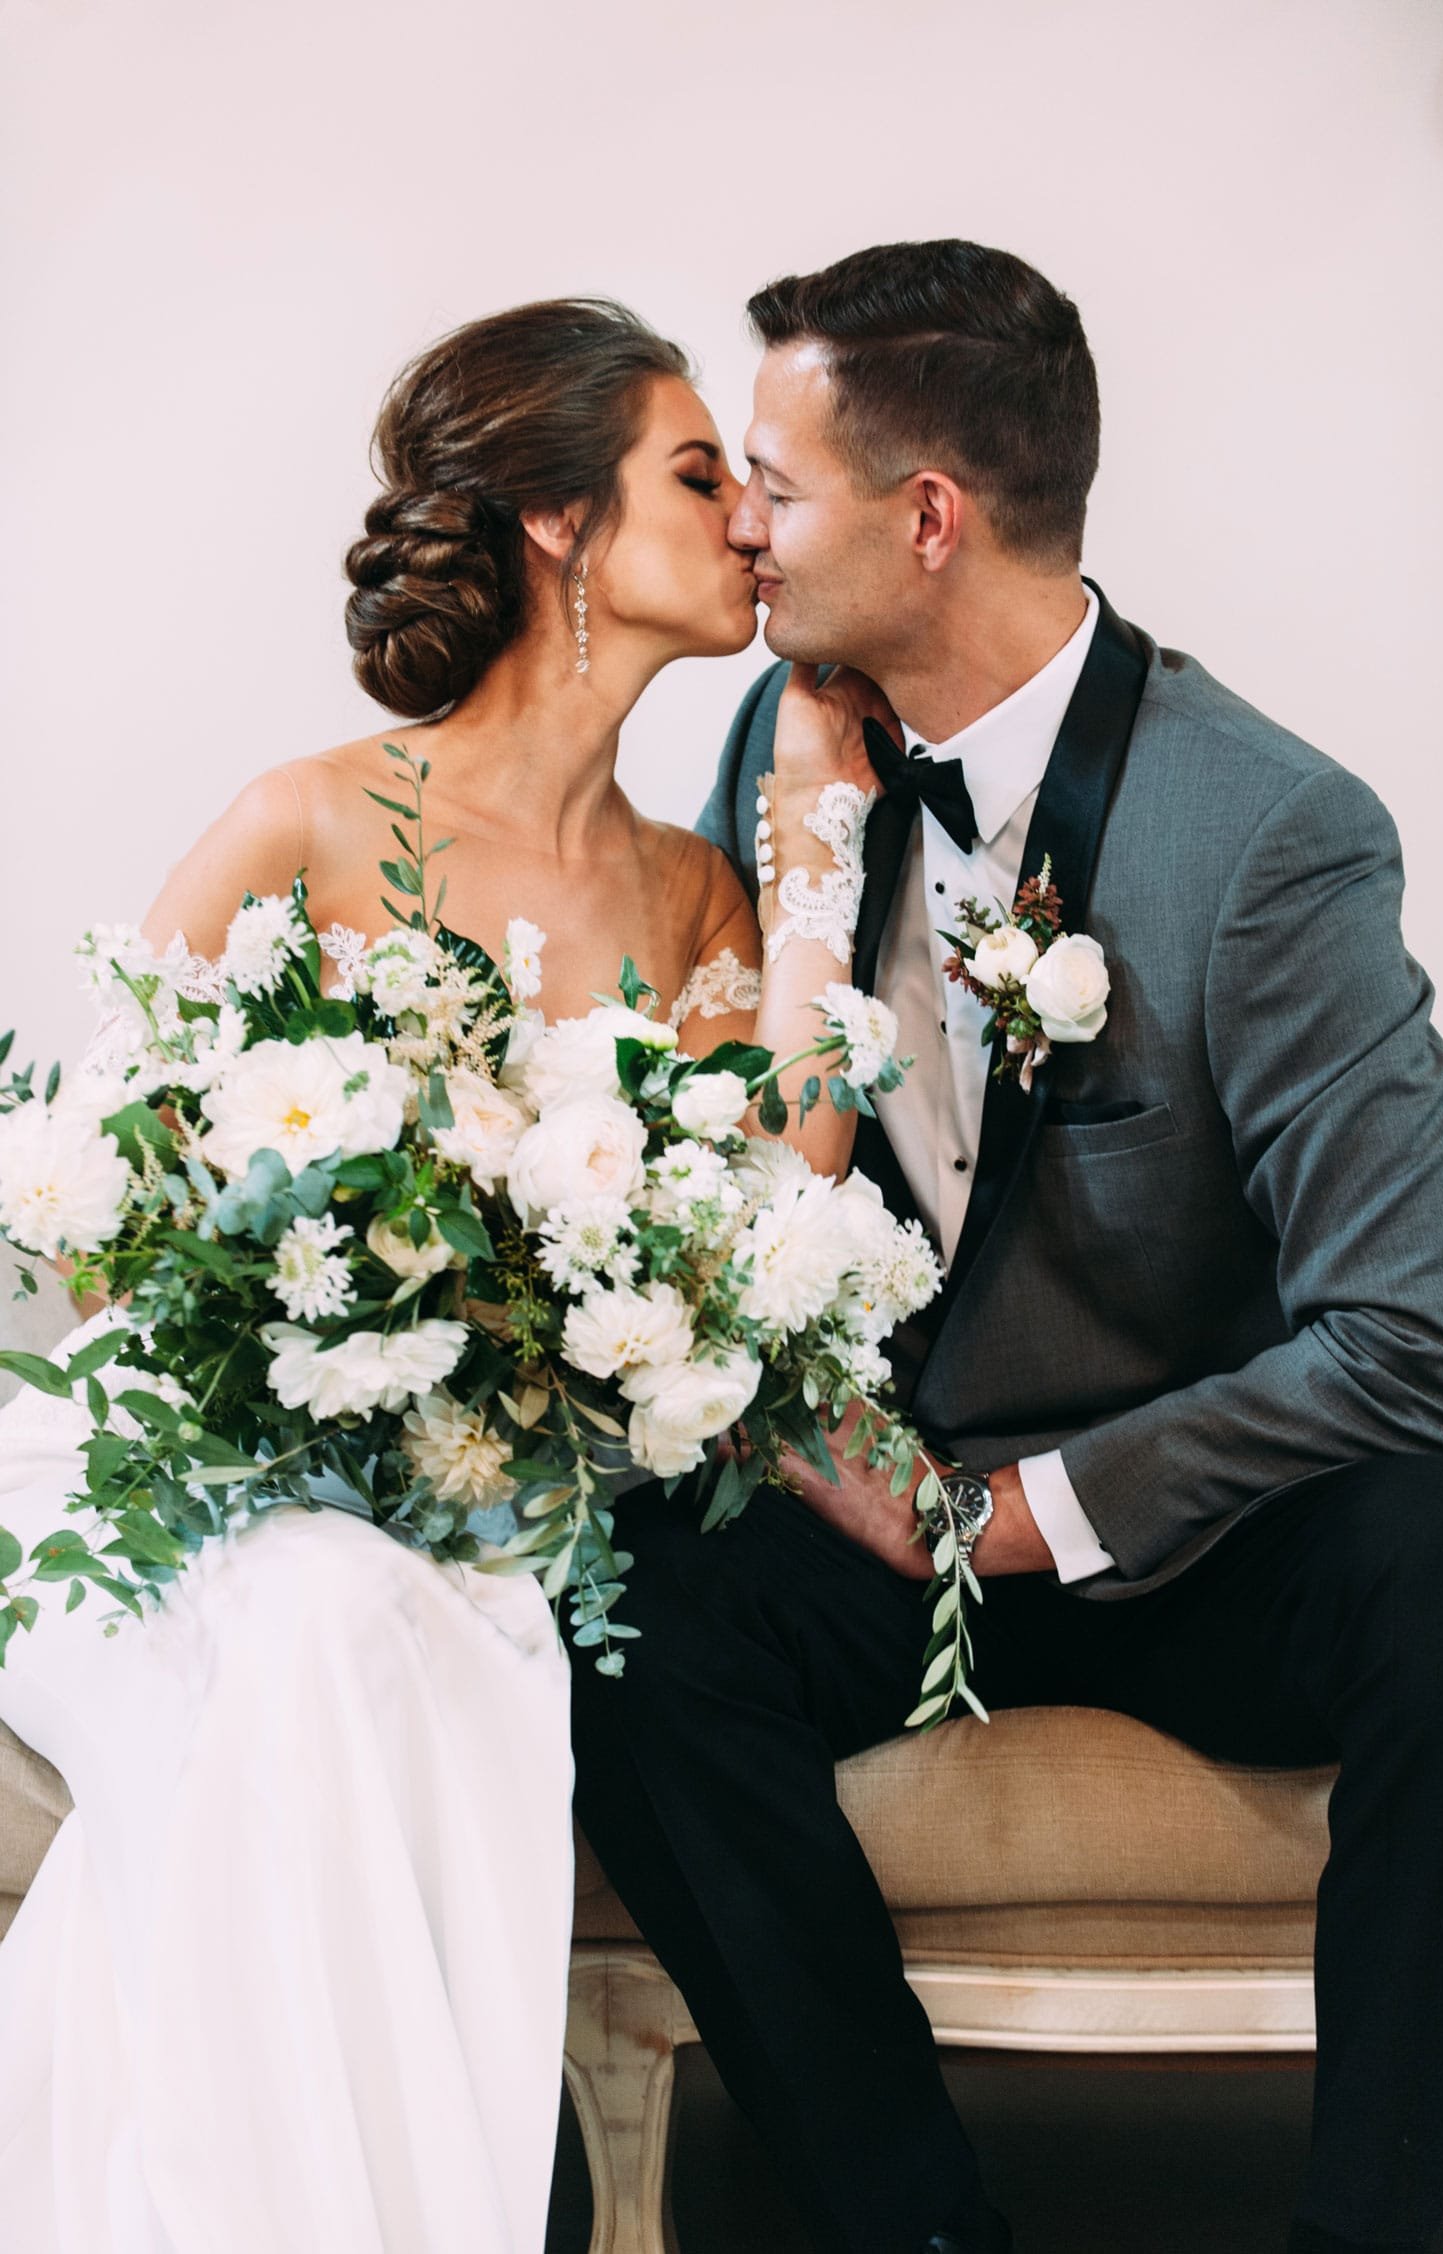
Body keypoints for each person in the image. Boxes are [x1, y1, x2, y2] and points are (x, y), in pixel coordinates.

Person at [567, 241, 1443, 2254]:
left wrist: (1018, 1515)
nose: (741, 525)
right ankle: (912, 2223)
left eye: (773, 483)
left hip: (1197, 1531)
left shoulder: (1269, 834)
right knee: (625, 1613)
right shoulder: (784, 754)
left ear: (928, 518)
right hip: (884, 1509)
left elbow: (1425, 1337)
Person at [0, 296, 878, 2253]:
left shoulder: (690, 894)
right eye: (694, 471)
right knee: (315, 1610)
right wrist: (309, 1294)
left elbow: (780, 1196)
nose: (748, 516)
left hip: (479, 1513)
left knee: (422, 1632)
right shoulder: (309, 818)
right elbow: (87, 1208)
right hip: (186, 1475)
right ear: (561, 526)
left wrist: (817, 817)